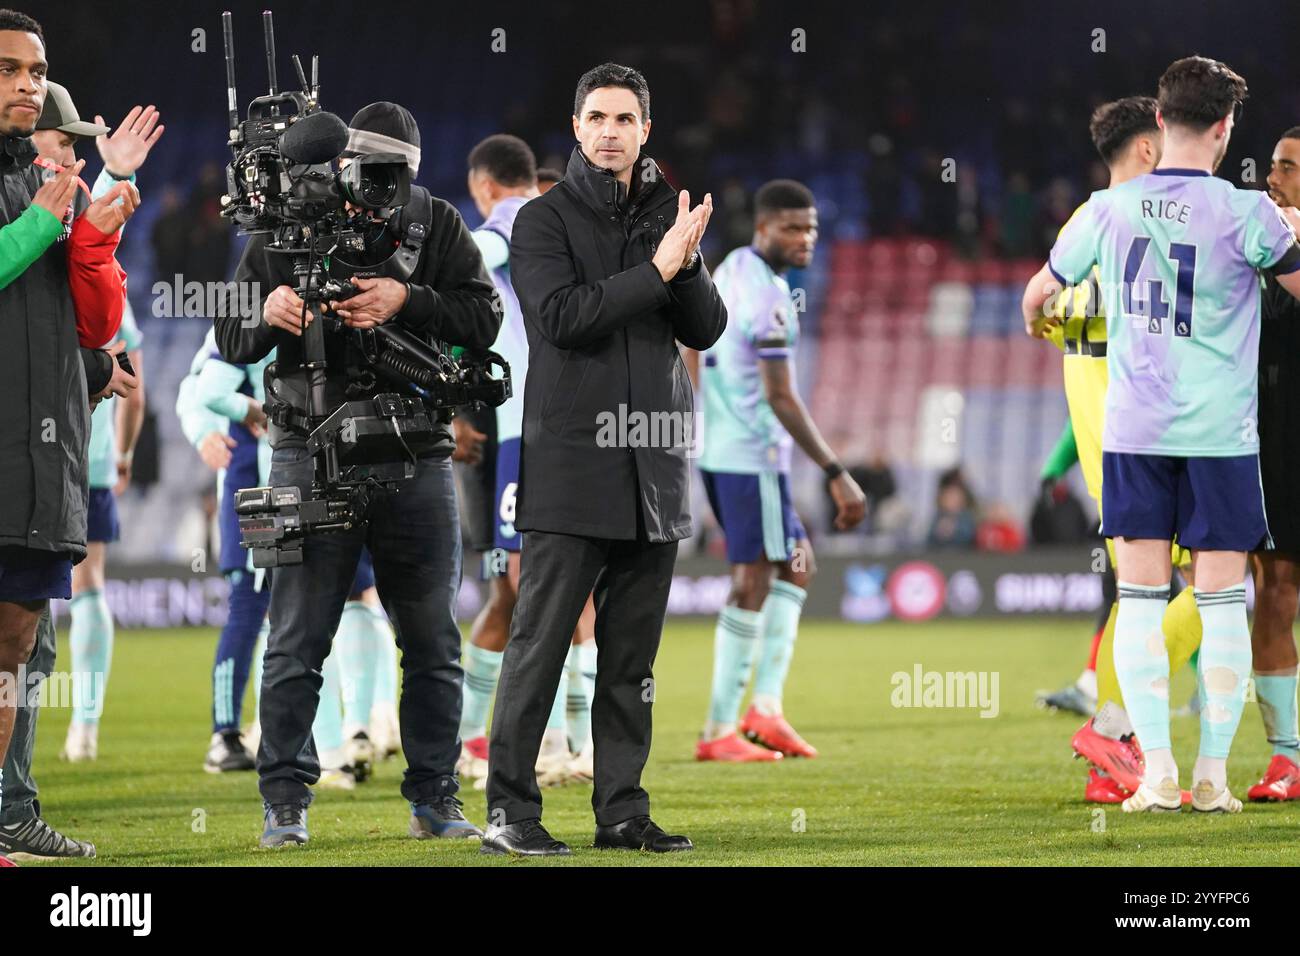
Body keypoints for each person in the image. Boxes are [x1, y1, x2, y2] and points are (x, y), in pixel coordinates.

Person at [214, 101, 500, 848]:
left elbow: (486, 317)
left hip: (415, 448)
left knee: (433, 638)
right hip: (306, 445)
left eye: (396, 174)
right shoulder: (286, 215)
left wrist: (408, 298)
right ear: (337, 160)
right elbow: (230, 332)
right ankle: (285, 801)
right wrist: (268, 308)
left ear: (414, 170)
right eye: (368, 169)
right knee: (296, 637)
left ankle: (436, 795)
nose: (379, 185)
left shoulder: (432, 221)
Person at [1023, 57, 1300, 813]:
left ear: (1162, 122)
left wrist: (1039, 317)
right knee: (1221, 602)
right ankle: (1212, 778)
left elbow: (1038, 294)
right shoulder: (1250, 214)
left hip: (1135, 435)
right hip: (1221, 436)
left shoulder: (1103, 211)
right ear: (1223, 128)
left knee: (1140, 600)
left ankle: (1156, 778)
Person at [481, 62, 726, 857]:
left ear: (646, 129)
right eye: (598, 118)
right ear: (577, 127)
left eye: (626, 118)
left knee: (631, 661)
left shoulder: (669, 212)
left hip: (653, 468)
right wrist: (655, 270)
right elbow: (560, 318)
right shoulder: (541, 220)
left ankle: (622, 812)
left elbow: (707, 330)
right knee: (540, 645)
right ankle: (511, 814)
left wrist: (685, 264)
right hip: (573, 466)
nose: (611, 131)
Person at [0, 10, 140, 866]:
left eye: (34, 70)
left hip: (38, 454)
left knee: (18, 645)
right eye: (8, 69)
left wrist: (96, 232)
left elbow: (89, 325)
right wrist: (43, 227)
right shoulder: (38, 199)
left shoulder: (47, 188)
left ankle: (9, 815)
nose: (23, 83)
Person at [694, 178, 865, 764]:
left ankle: (764, 709)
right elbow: (782, 397)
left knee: (798, 565)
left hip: (724, 450)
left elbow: (694, 346)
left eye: (811, 228)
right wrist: (836, 470)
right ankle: (720, 729)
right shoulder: (770, 297)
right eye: (792, 228)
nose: (805, 238)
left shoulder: (729, 270)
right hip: (753, 457)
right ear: (763, 228)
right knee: (754, 581)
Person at [457, 133, 597, 791]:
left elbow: (479, 252)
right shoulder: (571, 235)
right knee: (530, 590)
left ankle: (546, 744)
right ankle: (551, 745)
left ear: (482, 184)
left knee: (528, 587)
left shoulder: (514, 222)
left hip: (527, 434)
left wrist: (419, 265)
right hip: (543, 429)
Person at [26, 83, 160, 763]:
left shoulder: (69, 217)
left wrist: (119, 179)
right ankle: (79, 726)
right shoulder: (28, 210)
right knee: (55, 609)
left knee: (33, 625)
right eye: (66, 145)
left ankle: (50, 758)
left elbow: (114, 352)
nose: (73, 159)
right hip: (59, 449)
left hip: (71, 452)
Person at [1244, 125, 1300, 802]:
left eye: (1288, 167)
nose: (1274, 176)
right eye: (1276, 164)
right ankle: (1287, 758)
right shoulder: (1258, 245)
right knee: (1275, 594)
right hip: (1277, 441)